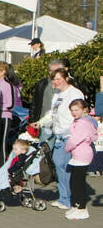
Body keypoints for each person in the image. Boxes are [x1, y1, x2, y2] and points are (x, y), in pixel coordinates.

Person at [35, 68, 85, 210]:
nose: (55, 82)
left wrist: (73, 131)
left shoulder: (75, 93)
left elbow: (80, 113)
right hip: (58, 134)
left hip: (70, 135)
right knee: (58, 166)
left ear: (66, 79)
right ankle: (63, 197)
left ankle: (70, 198)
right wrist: (41, 122)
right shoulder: (57, 94)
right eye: (53, 79)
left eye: (58, 79)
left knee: (65, 166)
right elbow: (52, 112)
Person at [63, 98, 97, 220]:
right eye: (72, 110)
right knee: (74, 182)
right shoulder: (78, 122)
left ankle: (82, 208)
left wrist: (66, 148)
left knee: (78, 183)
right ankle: (76, 205)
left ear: (84, 110)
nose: (74, 112)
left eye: (77, 110)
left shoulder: (83, 124)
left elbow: (74, 140)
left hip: (82, 155)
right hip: (77, 155)